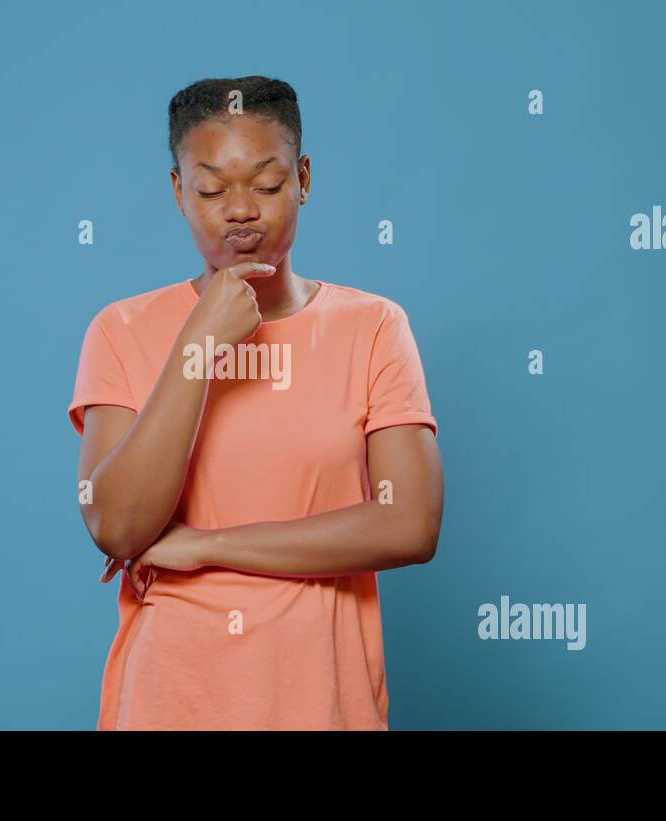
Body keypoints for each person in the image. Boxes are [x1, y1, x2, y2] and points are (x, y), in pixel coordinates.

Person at [68, 76, 444, 730]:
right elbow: (118, 525)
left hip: (323, 702)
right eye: (212, 189)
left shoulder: (374, 326)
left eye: (266, 185)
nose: (239, 209)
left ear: (303, 178)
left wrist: (206, 545)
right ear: (178, 190)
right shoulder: (121, 329)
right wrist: (198, 343)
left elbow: (410, 523)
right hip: (171, 698)